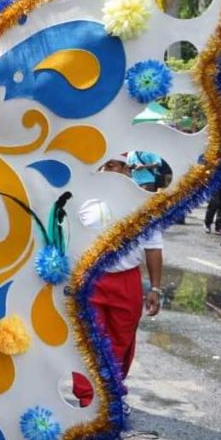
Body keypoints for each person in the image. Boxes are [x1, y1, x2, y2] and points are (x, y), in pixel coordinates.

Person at [72, 156, 163, 408]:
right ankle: (87, 400)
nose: (105, 170)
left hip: (127, 281)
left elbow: (153, 248)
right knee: (88, 339)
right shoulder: (81, 198)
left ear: (126, 169)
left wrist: (155, 288)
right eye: (101, 164)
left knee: (120, 341)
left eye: (111, 165)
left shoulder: (142, 204)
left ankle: (111, 397)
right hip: (90, 281)